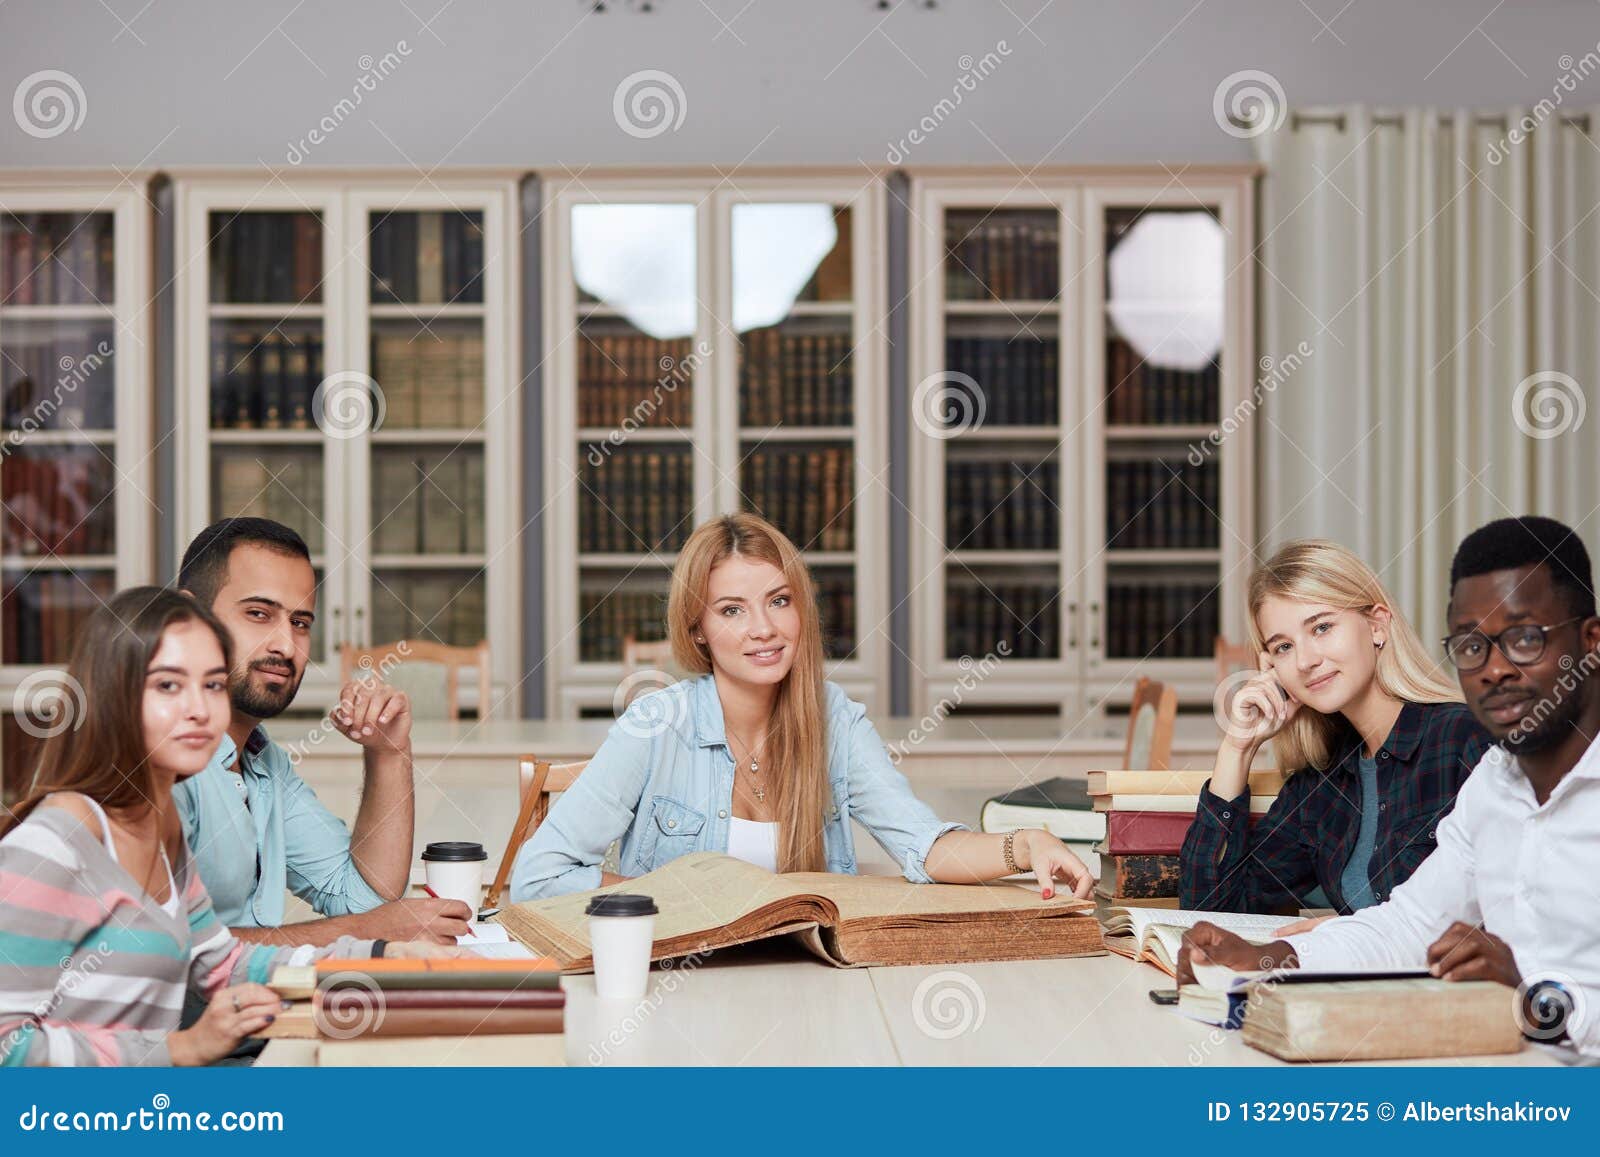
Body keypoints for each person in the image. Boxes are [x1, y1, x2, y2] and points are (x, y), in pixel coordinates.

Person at [1180, 516, 1600, 1062]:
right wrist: (1270, 956)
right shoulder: (1496, 783)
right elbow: (1405, 923)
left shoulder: (1466, 746)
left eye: (1523, 638)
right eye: (1471, 647)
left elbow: (1525, 976)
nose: (1494, 670)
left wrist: (1534, 994)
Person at [512, 512, 1094, 901]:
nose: (763, 629)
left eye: (779, 600)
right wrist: (674, 904)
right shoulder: (656, 726)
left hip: (810, 992)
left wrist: (1027, 844)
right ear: (698, 632)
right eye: (732, 610)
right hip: (676, 989)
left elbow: (927, 847)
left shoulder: (833, 720)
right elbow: (537, 877)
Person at [0, 588, 449, 1067]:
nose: (199, 709)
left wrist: (381, 957)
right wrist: (178, 1049)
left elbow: (223, 963)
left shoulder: (161, 832)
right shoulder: (60, 841)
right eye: (168, 686)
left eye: (212, 685)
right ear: (115, 698)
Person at [175, 518, 471, 946]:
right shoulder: (160, 758)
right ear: (188, 618)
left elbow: (364, 900)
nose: (285, 645)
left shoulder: (262, 762)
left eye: (300, 622)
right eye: (259, 614)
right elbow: (167, 951)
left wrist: (387, 752)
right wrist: (360, 932)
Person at [1180, 540, 1490, 922]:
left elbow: (1510, 915)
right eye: (1283, 647)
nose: (1306, 661)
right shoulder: (1322, 784)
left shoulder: (1464, 739)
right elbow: (1211, 915)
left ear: (1377, 625)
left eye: (1322, 627)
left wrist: (1344, 931)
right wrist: (1237, 748)